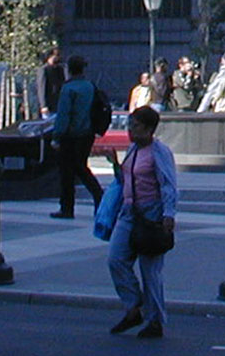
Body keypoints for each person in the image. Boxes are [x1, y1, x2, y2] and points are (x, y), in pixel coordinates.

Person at [105, 105, 177, 340]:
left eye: (135, 126)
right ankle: (134, 305)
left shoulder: (159, 152)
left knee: (150, 270)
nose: (130, 131)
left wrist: (168, 214)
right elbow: (125, 178)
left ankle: (155, 320)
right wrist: (116, 165)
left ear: (148, 129)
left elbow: (168, 184)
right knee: (115, 258)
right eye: (130, 126)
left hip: (151, 214)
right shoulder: (133, 149)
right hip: (128, 212)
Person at [50, 54, 104, 218]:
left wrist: (56, 136)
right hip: (87, 134)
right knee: (81, 167)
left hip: (70, 136)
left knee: (67, 172)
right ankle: (98, 197)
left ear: (69, 69)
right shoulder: (90, 86)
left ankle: (67, 207)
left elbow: (63, 115)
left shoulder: (69, 88)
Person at [36, 48, 65, 118]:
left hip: (58, 104)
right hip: (48, 106)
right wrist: (43, 105)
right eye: (55, 55)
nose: (57, 57)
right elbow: (41, 88)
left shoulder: (60, 69)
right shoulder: (43, 70)